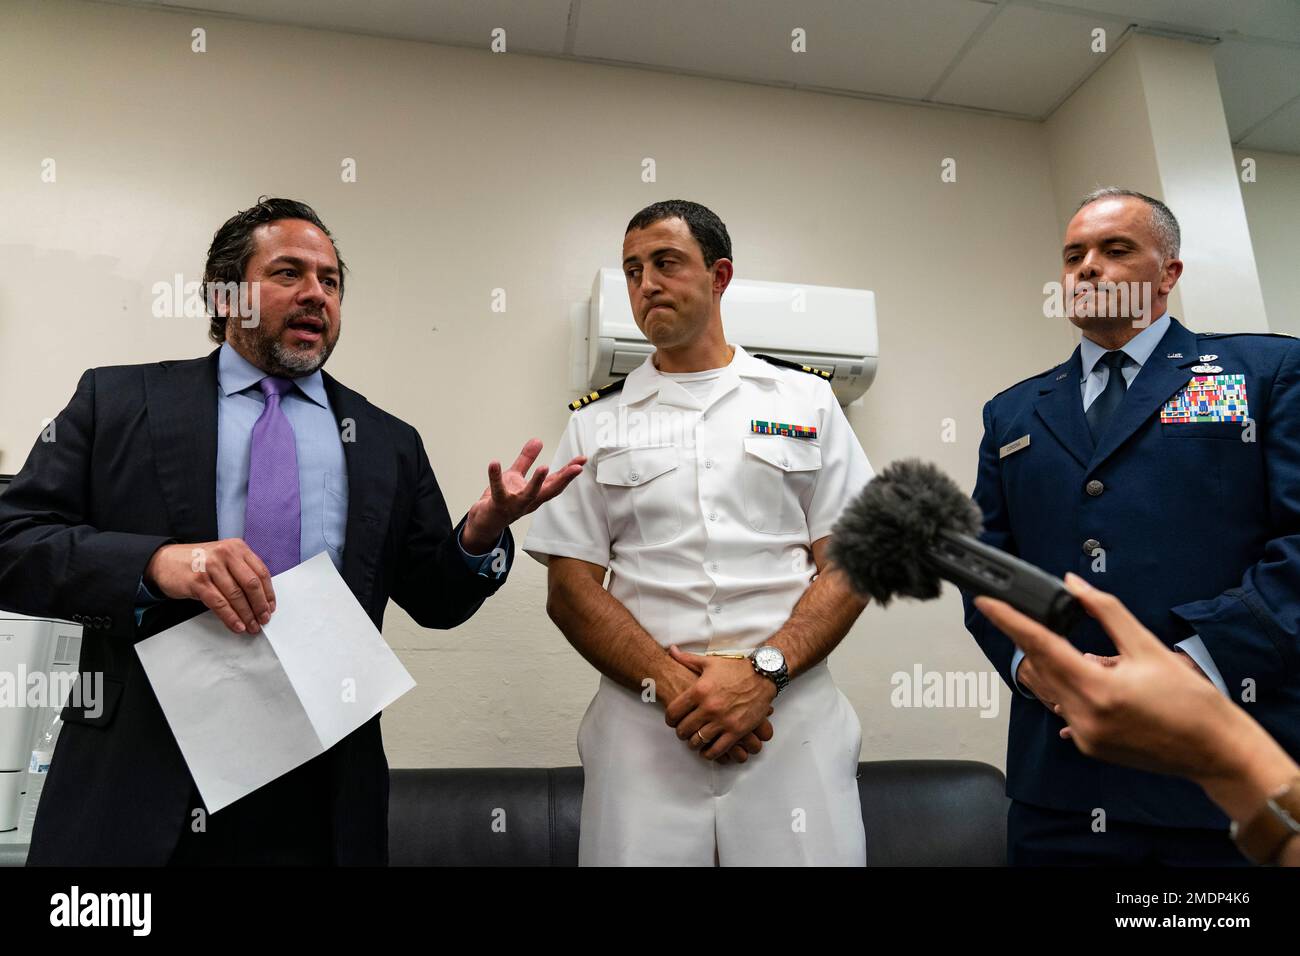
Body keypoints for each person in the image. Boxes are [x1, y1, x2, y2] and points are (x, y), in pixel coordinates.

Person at [0, 197, 583, 865]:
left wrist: (480, 537)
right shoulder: (117, 403)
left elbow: (437, 601)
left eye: (330, 281)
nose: (315, 294)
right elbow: (11, 544)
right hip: (143, 781)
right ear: (224, 296)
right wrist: (158, 563)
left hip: (324, 801)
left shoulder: (386, 442)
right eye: (288, 274)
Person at [524, 200, 872, 865]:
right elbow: (569, 589)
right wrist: (679, 688)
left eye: (665, 262)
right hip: (646, 732)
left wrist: (762, 674)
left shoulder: (804, 401)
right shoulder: (597, 424)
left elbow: (849, 565)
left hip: (789, 726)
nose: (645, 283)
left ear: (719, 277)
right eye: (631, 271)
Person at [964, 186, 1300, 865]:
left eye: (1116, 250)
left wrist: (1190, 665)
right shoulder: (1013, 413)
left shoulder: (1262, 373)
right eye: (1074, 255)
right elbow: (986, 567)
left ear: (1169, 273)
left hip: (1219, 779)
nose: (1088, 267)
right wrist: (1036, 671)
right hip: (1058, 786)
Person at [977, 576, 1300, 867]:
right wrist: (1027, 660)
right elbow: (974, 545)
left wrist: (1209, 659)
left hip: (1232, 813)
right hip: (1055, 790)